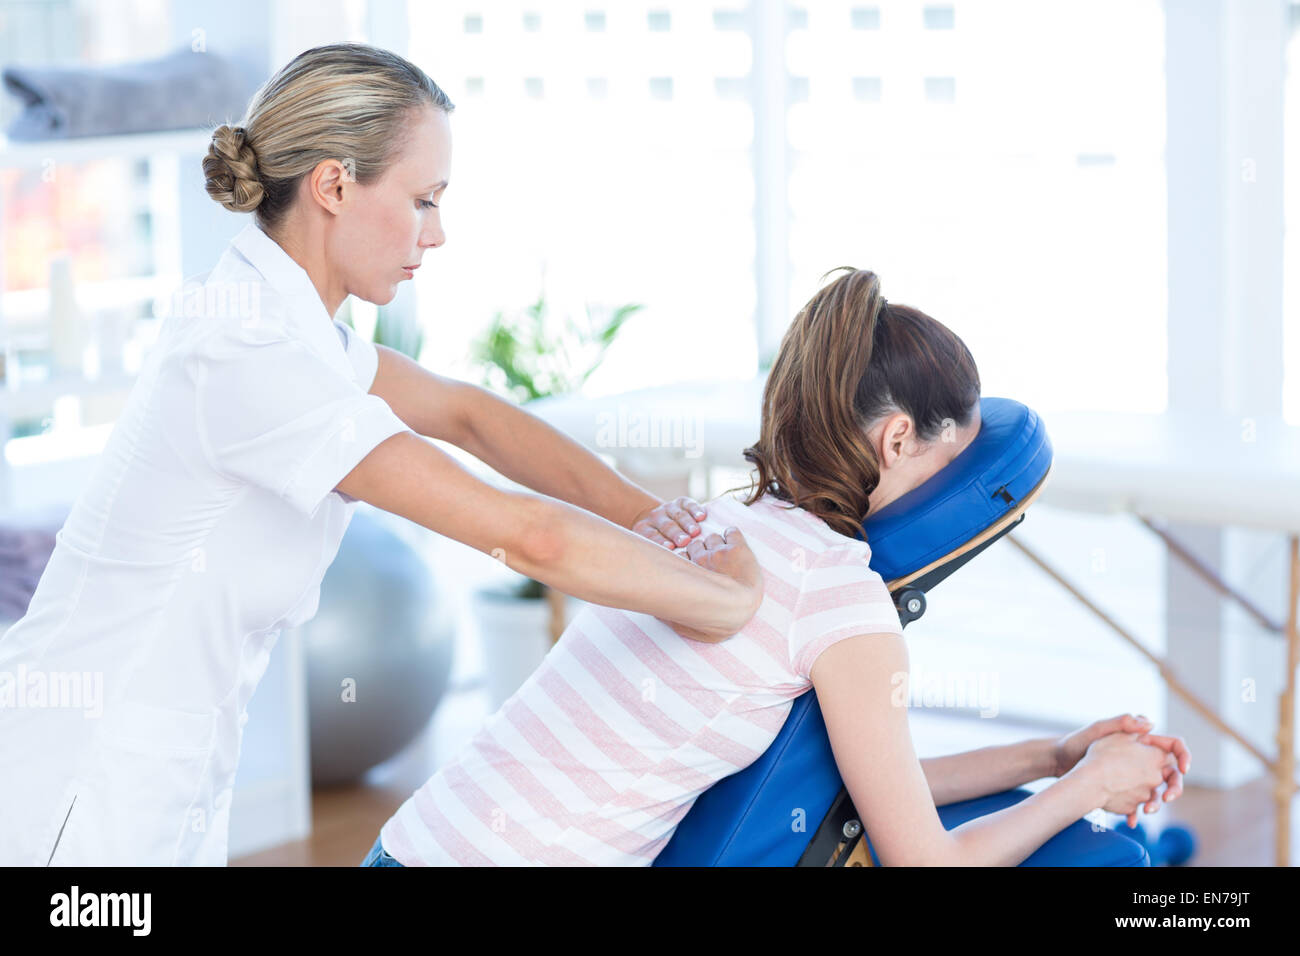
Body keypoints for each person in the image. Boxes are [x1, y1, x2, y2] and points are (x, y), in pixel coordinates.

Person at [0, 42, 762, 867]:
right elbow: (526, 535)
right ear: (333, 185)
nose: (437, 234)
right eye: (423, 200)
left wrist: (655, 518)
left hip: (163, 767)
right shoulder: (251, 353)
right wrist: (725, 605)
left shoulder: (294, 327)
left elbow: (467, 416)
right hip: (80, 782)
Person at [363, 267, 1189, 866]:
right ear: (898, 440)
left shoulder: (712, 525)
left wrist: (1054, 758)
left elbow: (860, 786)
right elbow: (927, 863)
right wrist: (1088, 792)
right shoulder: (842, 605)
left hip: (411, 843)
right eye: (955, 459)